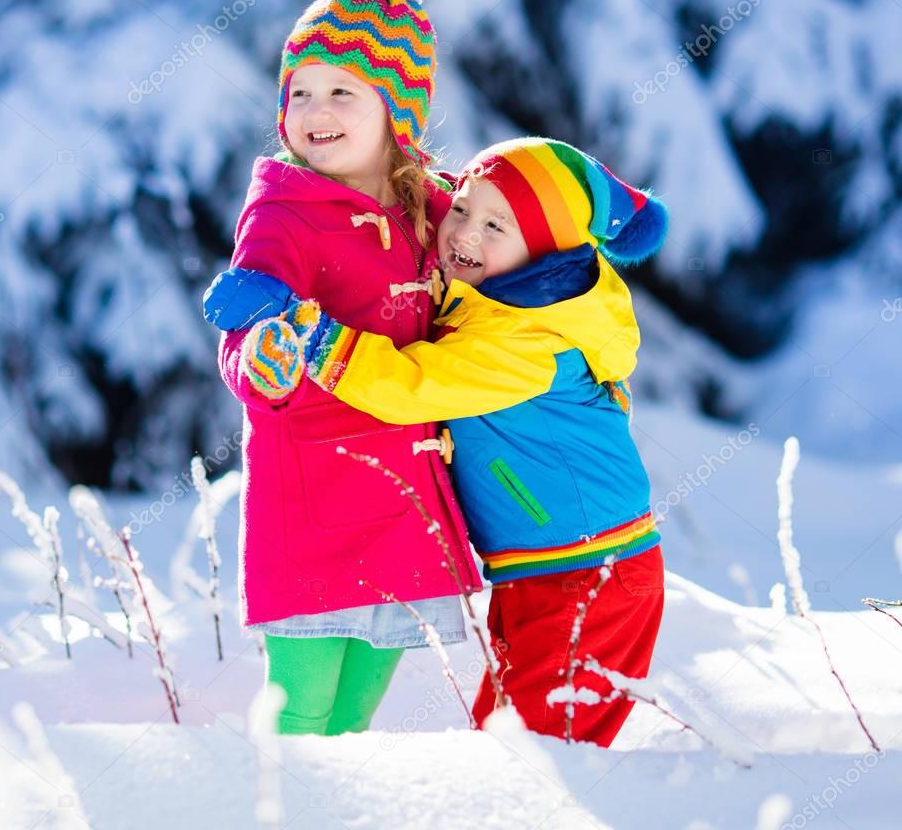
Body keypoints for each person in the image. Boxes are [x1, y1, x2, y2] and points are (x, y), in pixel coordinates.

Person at [206, 137, 669, 745]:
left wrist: (305, 328)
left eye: (495, 225)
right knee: (509, 737)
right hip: (550, 567)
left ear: (545, 249)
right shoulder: (503, 293)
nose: (466, 232)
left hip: (591, 576)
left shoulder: (530, 343)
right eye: (463, 209)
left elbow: (413, 384)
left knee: (530, 753)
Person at [205, 0, 480, 736]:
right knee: (302, 716)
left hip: (402, 504)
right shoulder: (283, 212)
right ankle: (263, 798)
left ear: (397, 108)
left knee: (353, 723)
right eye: (300, 91)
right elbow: (248, 326)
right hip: (312, 502)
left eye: (342, 92)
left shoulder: (431, 207)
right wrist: (262, 360)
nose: (315, 111)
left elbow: (509, 242)